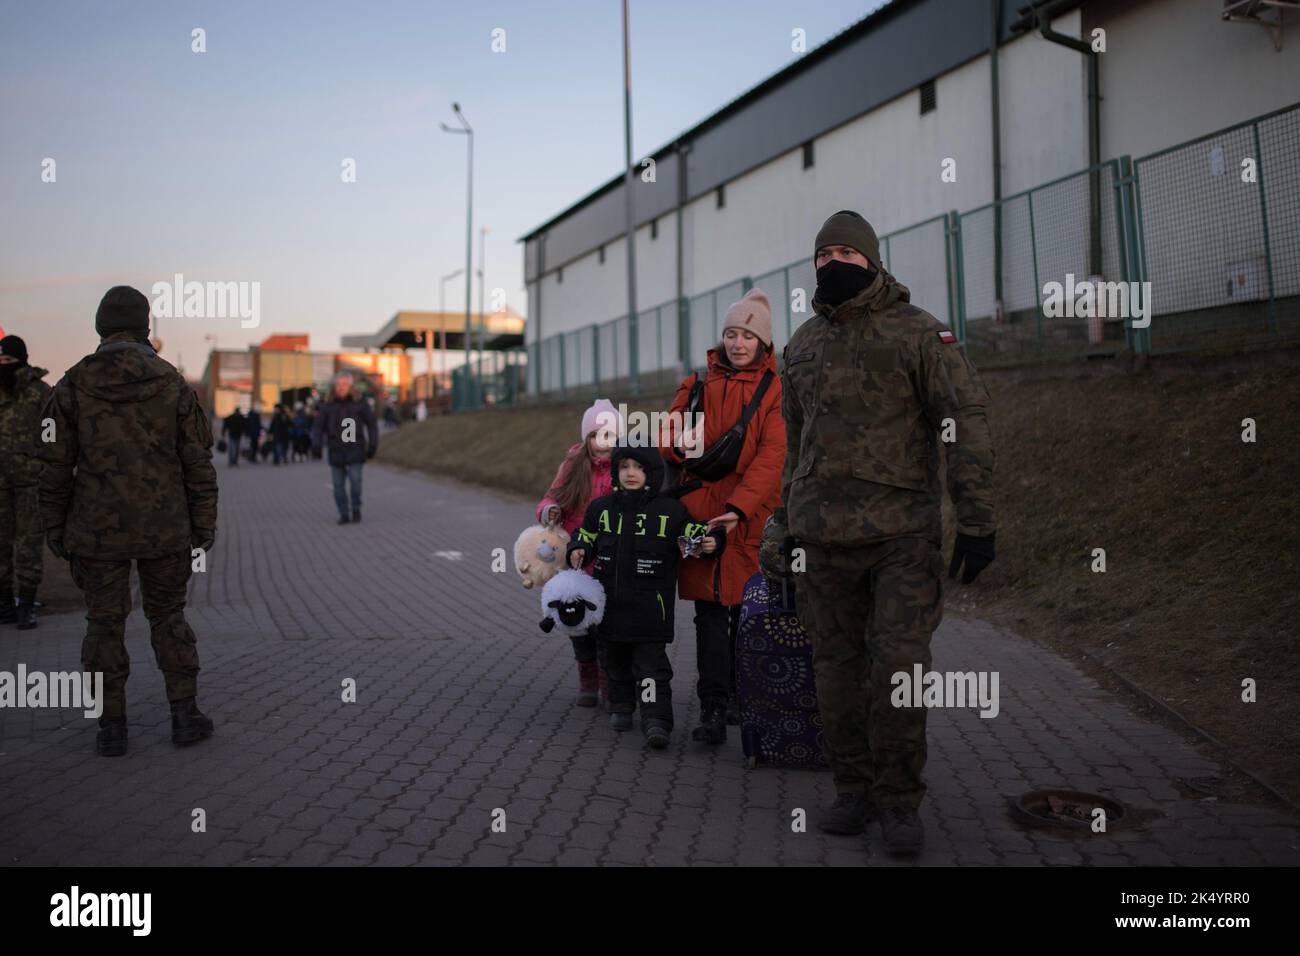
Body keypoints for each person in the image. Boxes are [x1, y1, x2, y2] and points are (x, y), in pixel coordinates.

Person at [762, 210, 996, 856]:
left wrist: (975, 520)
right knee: (835, 673)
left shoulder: (920, 335)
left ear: (871, 259)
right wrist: (785, 525)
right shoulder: (803, 345)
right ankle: (854, 789)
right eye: (822, 252)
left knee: (899, 671)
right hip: (822, 542)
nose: (832, 261)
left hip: (901, 539)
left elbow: (964, 422)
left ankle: (899, 802)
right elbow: (796, 447)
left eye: (845, 250)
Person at [36, 286, 219, 757]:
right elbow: (197, 459)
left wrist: (53, 527)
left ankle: (111, 727)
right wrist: (204, 523)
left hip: (96, 530)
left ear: (100, 326)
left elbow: (53, 464)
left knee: (103, 624)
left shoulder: (72, 384)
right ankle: (183, 715)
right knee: (168, 617)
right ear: (145, 328)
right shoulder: (171, 381)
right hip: (166, 527)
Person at [660, 288, 785, 745]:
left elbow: (773, 458)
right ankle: (713, 704)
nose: (737, 343)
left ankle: (742, 696)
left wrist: (738, 510)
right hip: (700, 516)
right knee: (709, 615)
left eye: (747, 336)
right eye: (731, 334)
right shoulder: (696, 385)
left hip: (748, 518)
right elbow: (667, 440)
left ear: (763, 344)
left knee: (747, 613)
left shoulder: (775, 391)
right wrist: (681, 441)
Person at [566, 443, 723, 749]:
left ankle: (656, 720)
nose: (631, 473)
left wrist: (712, 542)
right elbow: (584, 536)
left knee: (651, 668)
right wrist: (579, 550)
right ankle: (622, 707)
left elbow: (695, 533)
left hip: (652, 609)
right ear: (616, 472)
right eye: (624, 467)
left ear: (651, 472)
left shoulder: (669, 511)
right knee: (615, 662)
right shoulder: (602, 509)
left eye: (638, 468)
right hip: (610, 607)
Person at [535, 399, 621, 708]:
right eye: (595, 435)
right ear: (586, 439)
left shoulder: (625, 467)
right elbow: (549, 499)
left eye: (609, 435)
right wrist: (550, 511)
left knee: (608, 625)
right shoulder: (573, 465)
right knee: (579, 623)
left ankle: (610, 680)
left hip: (611, 557)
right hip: (576, 559)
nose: (602, 443)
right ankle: (587, 675)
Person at [0, 335, 51, 629]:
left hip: (31, 483)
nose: (4, 366)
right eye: (1, 361)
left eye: (9, 361)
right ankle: (5, 603)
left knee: (29, 543)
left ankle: (27, 605)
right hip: (1, 484)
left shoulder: (40, 393)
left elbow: (52, 438)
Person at [311, 372, 378, 524]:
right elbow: (318, 427)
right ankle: (343, 513)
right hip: (336, 449)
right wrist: (316, 445)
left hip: (355, 448)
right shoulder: (328, 405)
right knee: (338, 486)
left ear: (350, 386)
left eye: (344, 385)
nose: (341, 388)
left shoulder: (359, 403)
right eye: (338, 385)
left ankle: (355, 508)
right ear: (335, 387)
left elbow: (372, 425)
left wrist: (373, 444)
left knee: (355, 480)